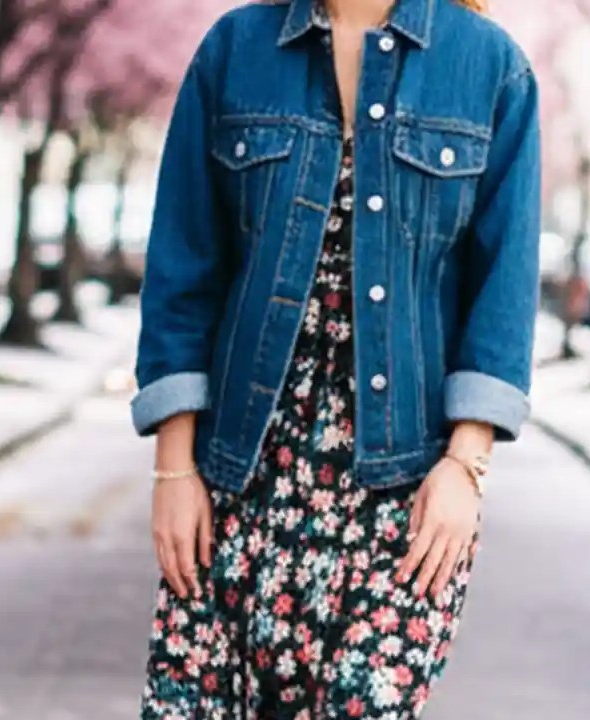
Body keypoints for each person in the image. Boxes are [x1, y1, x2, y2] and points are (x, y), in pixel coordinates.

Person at [133, 0, 540, 716]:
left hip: (405, 497)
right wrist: (174, 470)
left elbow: (503, 285)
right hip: (235, 477)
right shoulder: (233, 50)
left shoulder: (491, 68)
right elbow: (182, 268)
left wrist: (466, 467)